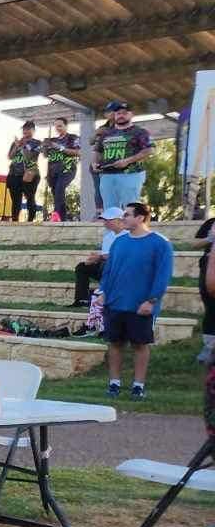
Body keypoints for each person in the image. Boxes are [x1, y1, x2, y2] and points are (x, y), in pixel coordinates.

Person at [100, 202, 174, 400]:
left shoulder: (160, 243)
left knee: (140, 345)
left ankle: (138, 385)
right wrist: (103, 292)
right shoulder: (119, 242)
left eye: (127, 215)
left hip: (141, 305)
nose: (123, 218)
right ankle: (114, 383)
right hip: (115, 302)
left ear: (141, 218)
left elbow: (163, 275)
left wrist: (151, 300)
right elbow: (109, 271)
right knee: (114, 343)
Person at [93, 101, 156, 211]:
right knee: (110, 210)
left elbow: (150, 149)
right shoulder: (106, 133)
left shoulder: (140, 132)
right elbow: (97, 150)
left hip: (131, 174)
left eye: (124, 113)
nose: (121, 116)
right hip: (107, 175)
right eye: (118, 113)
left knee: (130, 208)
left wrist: (127, 161)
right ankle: (112, 229)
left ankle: (132, 228)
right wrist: (94, 163)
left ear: (131, 114)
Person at [74, 207, 127, 306]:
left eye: (109, 220)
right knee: (82, 267)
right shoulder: (108, 237)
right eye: (105, 220)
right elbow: (106, 256)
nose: (105, 222)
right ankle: (81, 300)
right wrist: (94, 260)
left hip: (123, 270)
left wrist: (99, 257)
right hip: (106, 267)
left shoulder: (128, 235)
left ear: (119, 220)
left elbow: (122, 256)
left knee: (107, 266)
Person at [42, 117, 82, 221]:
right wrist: (45, 147)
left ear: (66, 126)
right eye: (56, 126)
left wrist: (60, 147)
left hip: (67, 169)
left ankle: (55, 214)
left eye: (60, 126)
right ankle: (63, 217)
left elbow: (78, 152)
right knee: (57, 193)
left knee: (60, 188)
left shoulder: (73, 138)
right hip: (52, 171)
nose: (58, 128)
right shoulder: (52, 140)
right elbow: (46, 155)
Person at [6, 121, 43, 223]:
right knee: (15, 199)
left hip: (29, 174)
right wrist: (17, 145)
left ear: (33, 130)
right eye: (24, 129)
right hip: (14, 173)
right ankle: (14, 220)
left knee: (30, 197)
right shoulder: (16, 142)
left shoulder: (37, 143)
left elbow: (31, 156)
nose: (25, 131)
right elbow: (10, 156)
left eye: (28, 129)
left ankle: (30, 220)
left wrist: (23, 146)